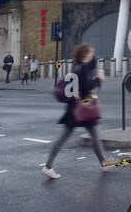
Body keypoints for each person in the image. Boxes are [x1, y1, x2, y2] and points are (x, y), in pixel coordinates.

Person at [42, 44, 109, 178]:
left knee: (92, 136)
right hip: (81, 109)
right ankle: (48, 166)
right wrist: (98, 79)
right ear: (85, 54)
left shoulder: (78, 65)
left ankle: (104, 163)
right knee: (74, 138)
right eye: (91, 52)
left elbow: (93, 62)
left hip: (76, 108)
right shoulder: (81, 68)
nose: (92, 54)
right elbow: (85, 86)